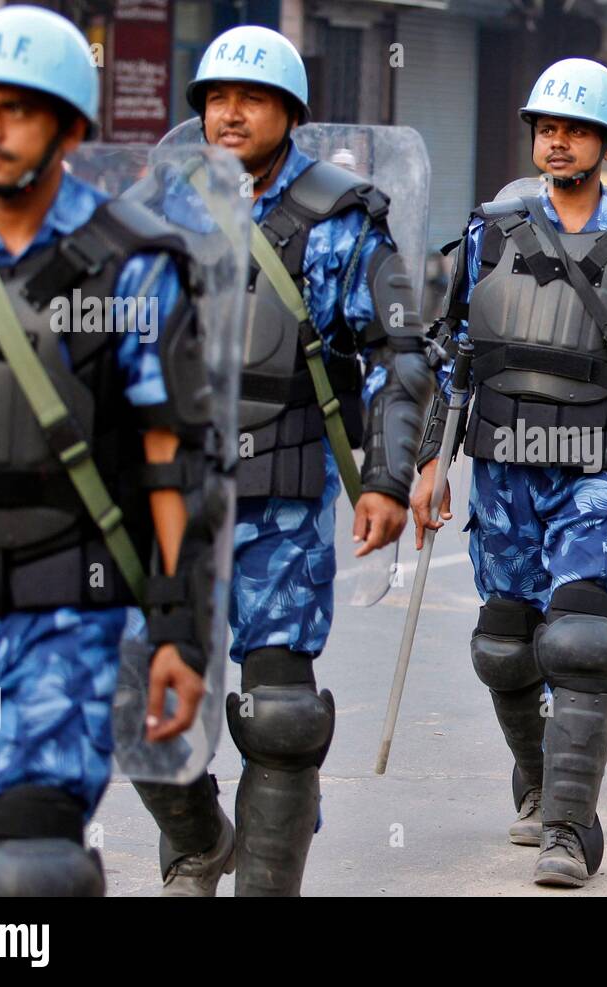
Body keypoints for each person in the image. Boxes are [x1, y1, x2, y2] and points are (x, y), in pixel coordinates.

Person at [0, 5, 224, 896]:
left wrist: (178, 633)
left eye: (15, 110)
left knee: (27, 875)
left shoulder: (130, 266)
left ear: (70, 127)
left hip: (57, 619)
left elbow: (173, 462)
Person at [130, 25, 433, 897]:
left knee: (280, 711)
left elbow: (402, 356)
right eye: (217, 98)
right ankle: (196, 838)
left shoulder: (339, 221)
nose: (231, 112)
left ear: (288, 115)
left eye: (251, 98)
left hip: (279, 497)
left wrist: (385, 477)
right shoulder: (158, 210)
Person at [411, 58, 607, 886]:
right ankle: (540, 780)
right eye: (546, 127)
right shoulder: (489, 232)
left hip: (597, 468)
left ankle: (570, 829)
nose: (558, 140)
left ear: (606, 142)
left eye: (574, 129)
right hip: (504, 468)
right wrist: (432, 460)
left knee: (579, 637)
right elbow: (458, 357)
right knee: (504, 647)